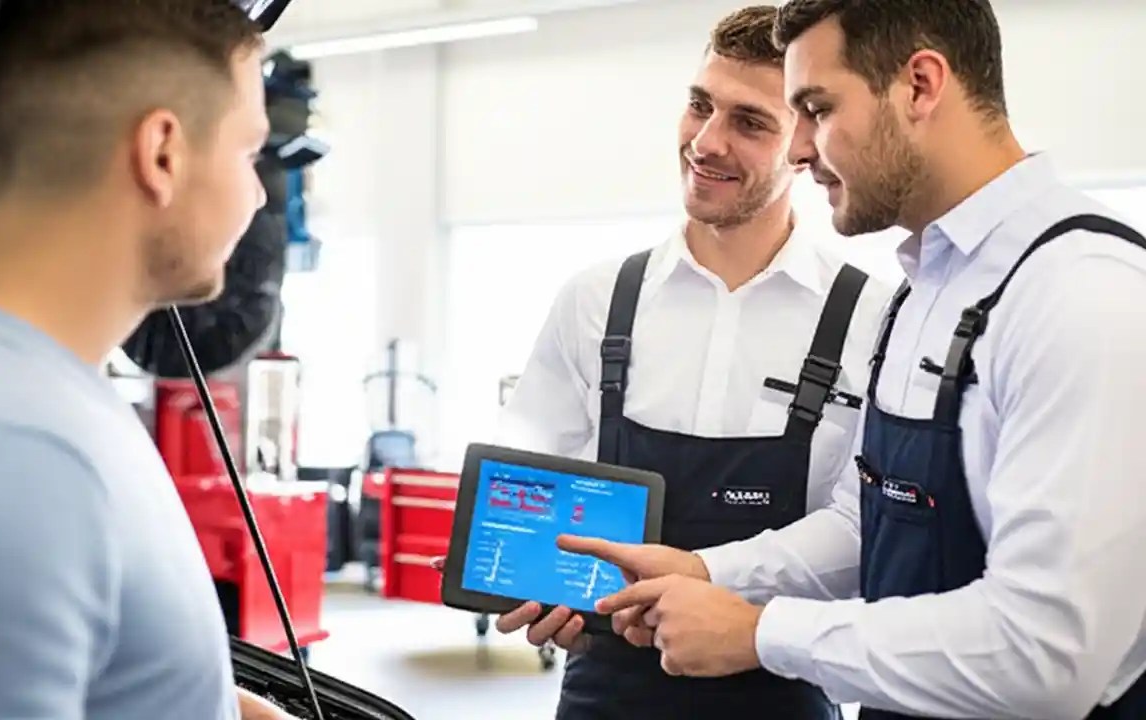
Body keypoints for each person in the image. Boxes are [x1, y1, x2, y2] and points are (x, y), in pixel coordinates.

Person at [566, 1, 1146, 718]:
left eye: (815, 108)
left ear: (920, 86)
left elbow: (1050, 653)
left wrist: (763, 633)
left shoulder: (1079, 294)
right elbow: (868, 522)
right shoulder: (922, 295)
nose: (799, 149)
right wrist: (705, 570)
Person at [437, 6, 894, 719]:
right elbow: (526, 469)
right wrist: (527, 574)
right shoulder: (594, 301)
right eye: (699, 105)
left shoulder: (875, 319)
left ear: (804, 145)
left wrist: (703, 576)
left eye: (749, 122)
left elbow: (864, 529)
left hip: (781, 693)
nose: (706, 142)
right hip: (604, 692)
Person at [0, 1, 293, 718]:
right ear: (163, 152)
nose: (255, 195)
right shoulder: (9, 454)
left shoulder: (0, 386)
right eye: (248, 153)